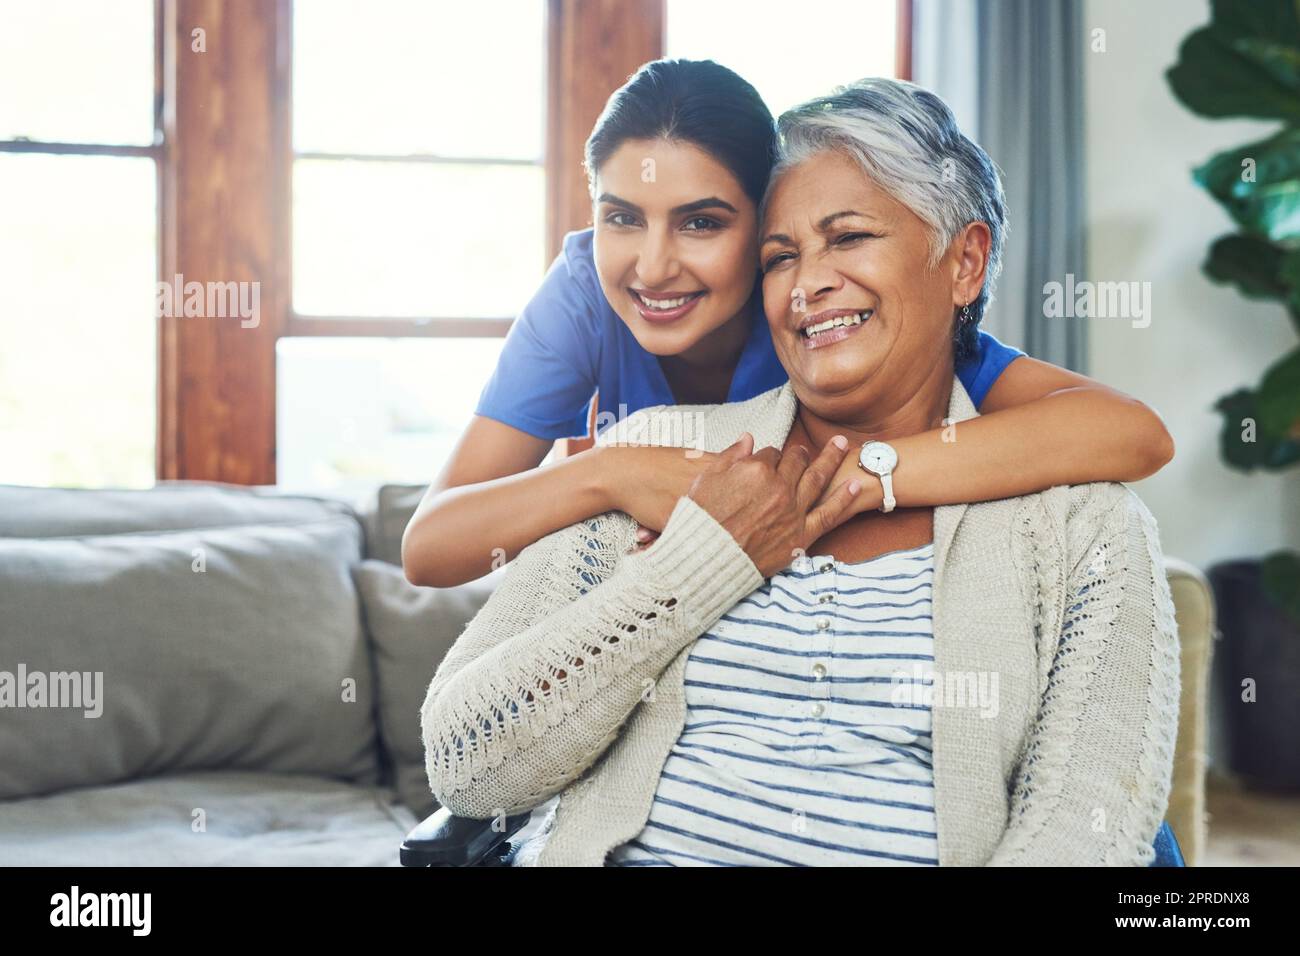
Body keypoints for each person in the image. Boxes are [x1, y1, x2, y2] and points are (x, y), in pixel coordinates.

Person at [417, 77, 1180, 866]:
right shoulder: (647, 441)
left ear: (964, 263)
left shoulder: (1080, 520)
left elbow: (1088, 822)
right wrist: (687, 561)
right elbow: (468, 770)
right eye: (782, 256)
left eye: (849, 239)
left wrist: (859, 477)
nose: (809, 282)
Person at [401, 59, 1174, 589]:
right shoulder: (583, 298)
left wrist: (845, 482)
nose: (654, 266)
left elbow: (1128, 431)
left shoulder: (835, 329)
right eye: (621, 218)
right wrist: (617, 471)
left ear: (759, 220)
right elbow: (431, 547)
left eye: (703, 222)